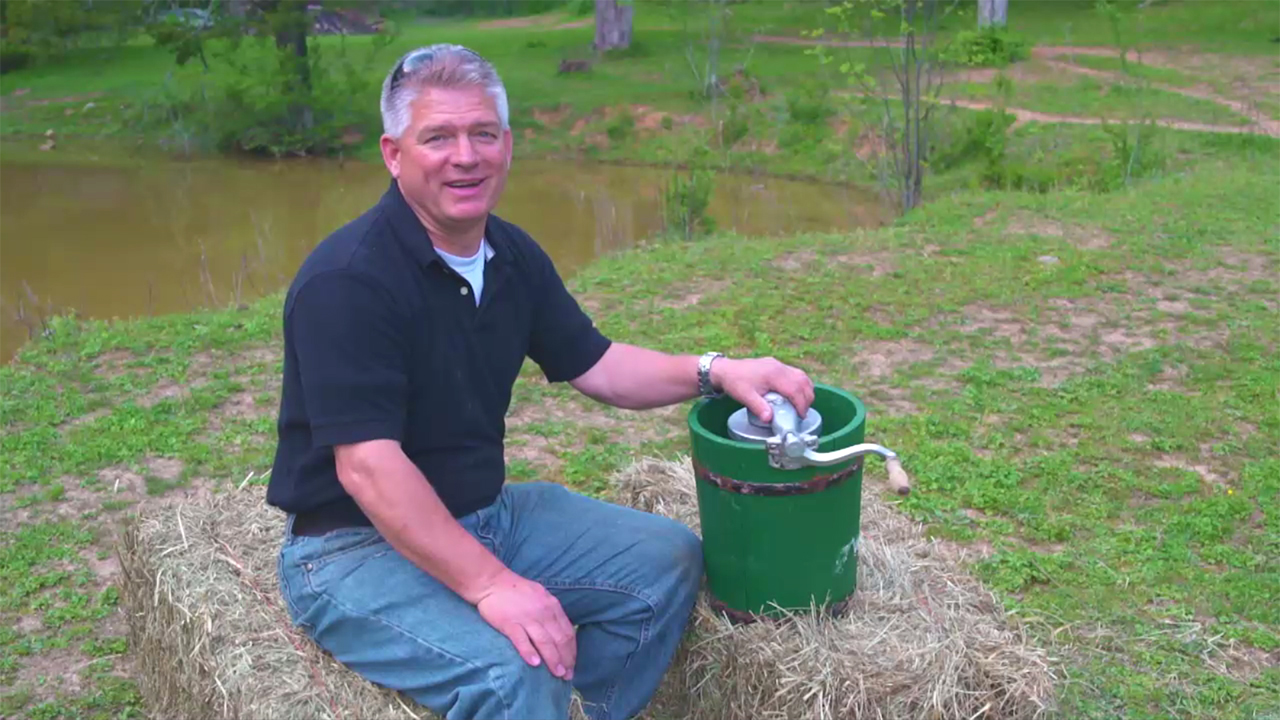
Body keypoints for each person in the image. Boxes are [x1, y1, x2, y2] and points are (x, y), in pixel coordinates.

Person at [267, 44, 815, 720]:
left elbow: (601, 366)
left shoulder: (511, 255)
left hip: (486, 515)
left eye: (483, 134)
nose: (465, 156)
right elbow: (369, 469)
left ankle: (584, 709)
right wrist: (494, 585)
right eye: (438, 136)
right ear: (393, 153)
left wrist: (716, 371)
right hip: (351, 548)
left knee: (666, 562)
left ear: (507, 145)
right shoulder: (349, 281)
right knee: (515, 676)